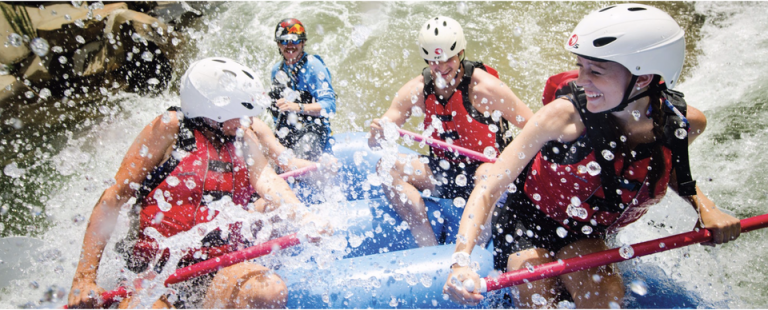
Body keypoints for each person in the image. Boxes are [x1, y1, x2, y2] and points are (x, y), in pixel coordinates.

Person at [443, 4, 741, 308]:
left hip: (585, 232)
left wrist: (705, 207)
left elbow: (662, 168)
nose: (581, 81)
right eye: (581, 66)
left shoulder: (683, 124)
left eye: (596, 72)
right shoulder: (562, 117)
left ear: (643, 78)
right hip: (529, 221)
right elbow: (490, 184)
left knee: (605, 297)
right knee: (538, 294)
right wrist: (460, 262)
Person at [68, 57, 328, 309]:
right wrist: (84, 278)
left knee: (269, 291)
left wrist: (304, 217)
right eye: (240, 114)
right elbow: (113, 198)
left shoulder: (243, 136)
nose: (248, 121)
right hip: (154, 270)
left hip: (217, 264)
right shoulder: (168, 129)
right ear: (213, 111)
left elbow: (269, 181)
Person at [368, 16, 532, 247]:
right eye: (434, 61)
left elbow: (534, 127)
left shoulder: (486, 87)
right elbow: (374, 143)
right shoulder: (417, 89)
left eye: (448, 59)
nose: (442, 67)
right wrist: (376, 133)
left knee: (485, 173)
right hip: (446, 171)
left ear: (461, 53)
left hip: (488, 173)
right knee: (386, 166)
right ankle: (428, 246)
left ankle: (477, 249)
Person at [268, 18, 336, 162]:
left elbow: (330, 107)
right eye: (284, 41)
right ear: (278, 44)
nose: (290, 45)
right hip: (289, 132)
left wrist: (298, 107)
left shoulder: (314, 66)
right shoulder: (277, 70)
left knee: (298, 159)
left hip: (314, 130)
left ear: (303, 42)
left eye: (295, 40)